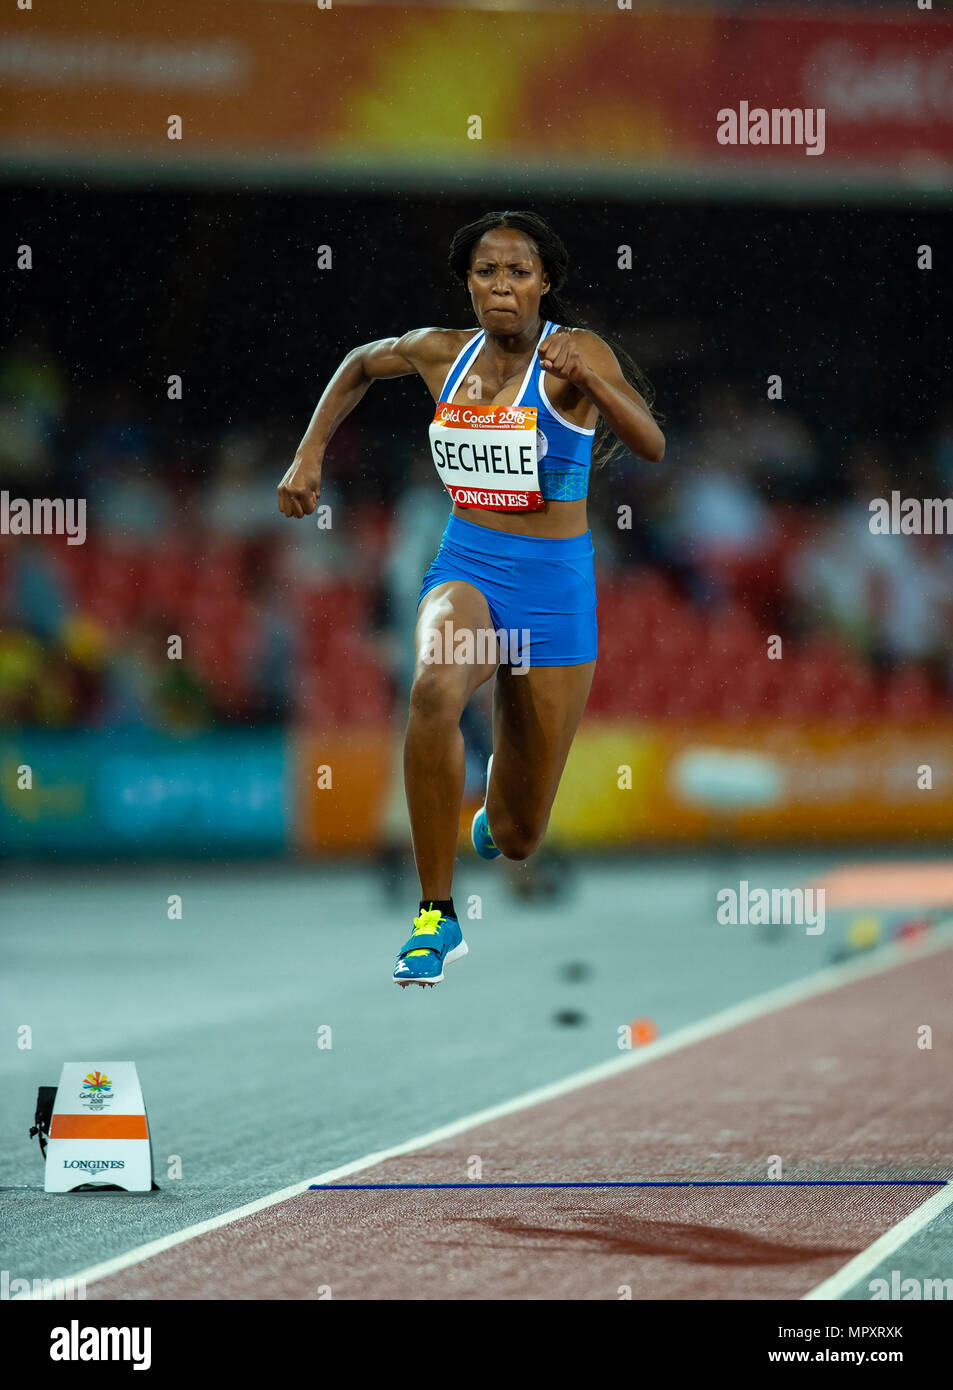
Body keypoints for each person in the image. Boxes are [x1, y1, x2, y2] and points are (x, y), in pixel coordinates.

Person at [278, 209, 664, 988]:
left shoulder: (576, 352)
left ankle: (494, 817)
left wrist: (590, 380)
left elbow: (651, 443)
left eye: (518, 272)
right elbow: (358, 362)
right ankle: (435, 915)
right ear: (467, 283)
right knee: (433, 686)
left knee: (521, 836)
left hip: (554, 589)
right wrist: (308, 454)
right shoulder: (438, 353)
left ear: (543, 283)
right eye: (486, 271)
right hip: (469, 567)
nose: (500, 285)